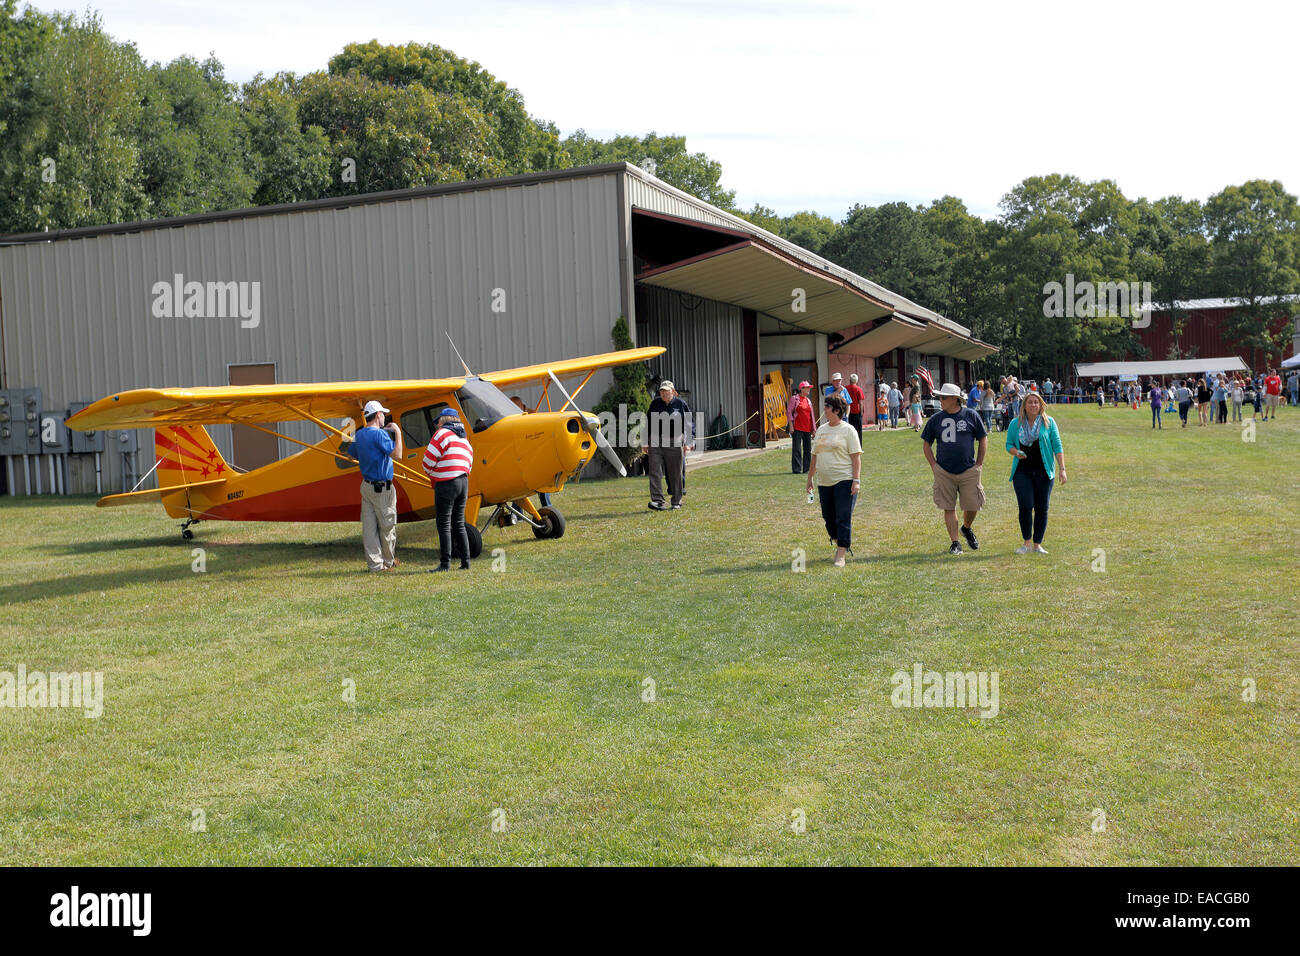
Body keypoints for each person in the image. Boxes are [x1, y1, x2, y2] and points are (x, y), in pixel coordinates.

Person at [920, 383, 988, 556]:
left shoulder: (971, 415)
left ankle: (966, 528)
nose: (939, 400)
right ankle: (955, 542)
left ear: (954, 399)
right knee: (948, 507)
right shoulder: (936, 419)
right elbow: (926, 443)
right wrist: (934, 466)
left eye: (943, 397)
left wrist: (979, 463)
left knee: (973, 505)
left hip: (968, 470)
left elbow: (983, 438)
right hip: (944, 471)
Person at [1005, 390, 1066, 554]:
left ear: (1040, 405)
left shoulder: (1049, 423)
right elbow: (1008, 444)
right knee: (1025, 506)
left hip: (1044, 473)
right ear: (1024, 405)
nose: (1033, 405)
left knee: (1042, 508)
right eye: (1030, 402)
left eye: (1036, 402)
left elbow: (1057, 447)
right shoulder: (1015, 423)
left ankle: (1037, 545)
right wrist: (1015, 452)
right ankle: (1026, 543)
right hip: (1022, 472)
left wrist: (1062, 469)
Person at [805, 394, 861, 568]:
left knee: (842, 517)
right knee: (829, 518)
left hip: (843, 479)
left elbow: (856, 458)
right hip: (824, 481)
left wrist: (856, 480)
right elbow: (814, 456)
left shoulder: (848, 430)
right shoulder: (821, 429)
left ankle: (841, 553)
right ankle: (840, 543)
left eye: (827, 406)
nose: (824, 409)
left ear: (836, 410)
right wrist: (810, 479)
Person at [353, 399, 404, 572]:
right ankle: (388, 563)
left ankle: (375, 566)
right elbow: (398, 455)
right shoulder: (380, 434)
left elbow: (352, 453)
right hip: (383, 488)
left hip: (366, 486)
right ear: (378, 416)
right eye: (383, 414)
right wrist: (397, 432)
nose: (385, 417)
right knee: (387, 526)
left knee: (369, 528)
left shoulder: (359, 435)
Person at [422, 406, 473, 572]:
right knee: (458, 523)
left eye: (438, 422)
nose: (437, 426)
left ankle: (445, 564)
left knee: (443, 524)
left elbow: (427, 461)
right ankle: (466, 562)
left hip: (446, 483)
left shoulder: (442, 434)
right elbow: (469, 463)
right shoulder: (464, 439)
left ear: (444, 421)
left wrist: (433, 473)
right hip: (463, 482)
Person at [643, 380, 693, 510]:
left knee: (675, 472)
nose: (664, 393)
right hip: (656, 441)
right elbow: (647, 423)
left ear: (673, 391)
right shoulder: (655, 404)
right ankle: (658, 501)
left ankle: (676, 501)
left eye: (667, 391)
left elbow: (689, 424)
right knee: (654, 470)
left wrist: (688, 443)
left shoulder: (681, 404)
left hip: (674, 441)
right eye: (662, 391)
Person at [787, 380, 815, 474]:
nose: (809, 390)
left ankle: (807, 469)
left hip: (807, 428)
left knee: (808, 449)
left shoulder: (808, 401)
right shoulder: (794, 399)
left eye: (809, 388)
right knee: (797, 449)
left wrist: (814, 429)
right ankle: (797, 469)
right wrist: (791, 426)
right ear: (802, 389)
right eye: (807, 388)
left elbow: (812, 416)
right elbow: (789, 412)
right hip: (797, 428)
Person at [845, 373, 866, 437]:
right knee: (858, 431)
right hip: (857, 412)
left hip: (848, 412)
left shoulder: (845, 388)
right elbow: (860, 402)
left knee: (850, 431)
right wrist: (861, 412)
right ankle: (859, 445)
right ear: (856, 381)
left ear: (850, 380)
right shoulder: (858, 389)